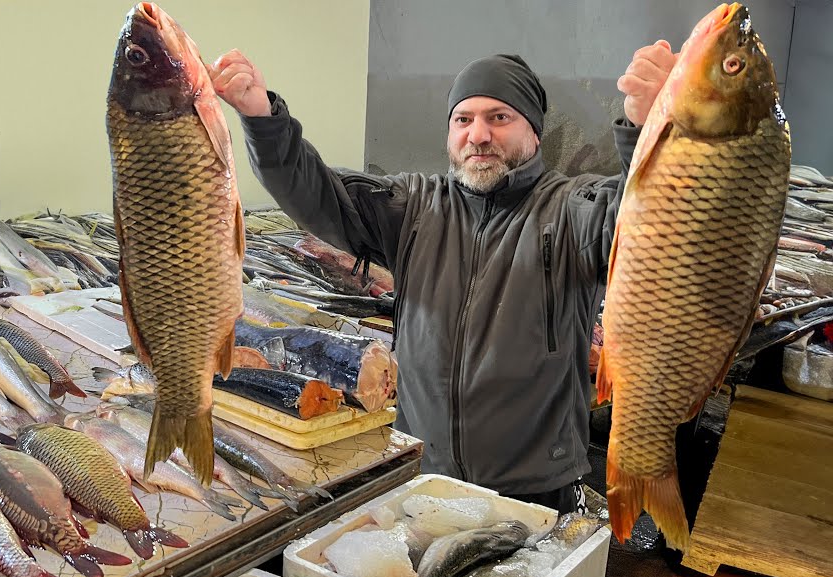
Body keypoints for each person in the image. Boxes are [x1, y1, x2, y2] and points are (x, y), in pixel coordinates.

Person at [208, 43, 677, 514]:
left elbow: (648, 219)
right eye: (463, 119)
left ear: (534, 132)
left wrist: (647, 130)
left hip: (538, 487)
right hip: (422, 475)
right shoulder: (414, 205)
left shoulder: (574, 208)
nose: (478, 135)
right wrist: (261, 117)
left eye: (499, 118)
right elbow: (316, 192)